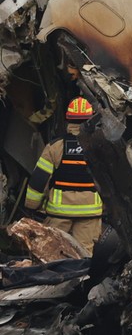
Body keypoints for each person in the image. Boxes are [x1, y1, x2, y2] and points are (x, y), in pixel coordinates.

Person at [24, 97, 104, 254]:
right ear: (91, 119)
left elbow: (39, 180)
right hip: (90, 213)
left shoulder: (55, 147)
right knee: (84, 255)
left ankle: (57, 278)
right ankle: (80, 279)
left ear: (68, 119)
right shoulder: (100, 146)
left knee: (53, 254)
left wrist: (31, 206)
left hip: (59, 213)